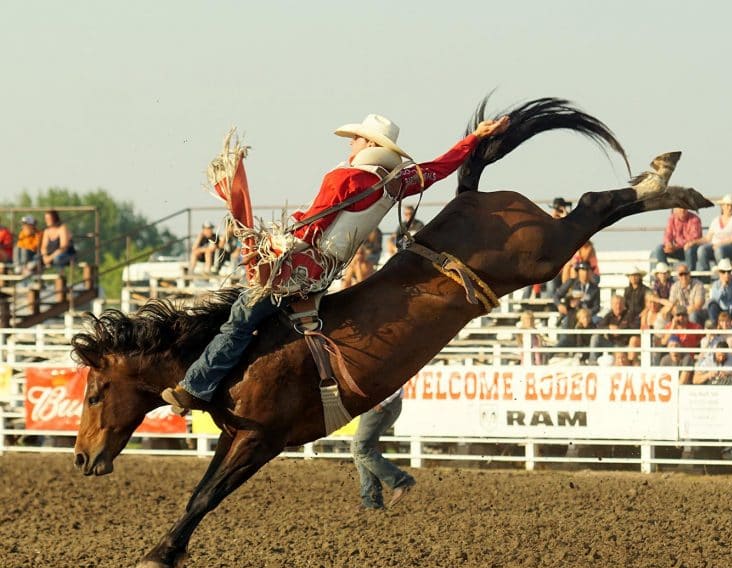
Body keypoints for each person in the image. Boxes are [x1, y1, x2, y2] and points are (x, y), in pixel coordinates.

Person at [162, 111, 510, 413]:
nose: (350, 145)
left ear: (367, 142)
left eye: (355, 139)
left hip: (297, 268)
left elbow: (313, 224)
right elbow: (439, 168)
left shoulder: (344, 178)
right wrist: (474, 139)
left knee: (240, 318)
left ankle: (197, 386)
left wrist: (271, 243)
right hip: (324, 273)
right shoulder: (396, 181)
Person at [351, 388, 415, 510]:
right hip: (376, 402)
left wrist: (382, 402)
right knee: (360, 448)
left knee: (360, 448)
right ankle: (371, 500)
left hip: (380, 402)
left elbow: (397, 377)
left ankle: (401, 481)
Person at [692, 194, 732, 275]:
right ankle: (705, 276)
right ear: (722, 206)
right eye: (727, 205)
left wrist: (722, 244)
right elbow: (707, 238)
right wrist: (694, 242)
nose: (729, 207)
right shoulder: (715, 220)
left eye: (731, 205)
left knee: (719, 250)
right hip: (716, 246)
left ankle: (722, 273)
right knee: (701, 250)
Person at [589, 293, 631, 363]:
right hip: (611, 344)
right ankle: (592, 362)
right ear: (612, 305)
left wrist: (620, 330)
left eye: (620, 303)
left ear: (624, 305)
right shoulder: (609, 315)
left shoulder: (629, 315)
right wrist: (609, 328)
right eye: (615, 304)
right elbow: (599, 327)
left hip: (624, 345)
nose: (618, 306)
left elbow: (634, 327)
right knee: (595, 338)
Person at [707, 258, 732, 326]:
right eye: (723, 272)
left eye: (729, 271)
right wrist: (722, 287)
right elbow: (715, 299)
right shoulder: (716, 284)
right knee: (711, 305)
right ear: (719, 273)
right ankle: (716, 327)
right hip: (721, 311)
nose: (726, 274)